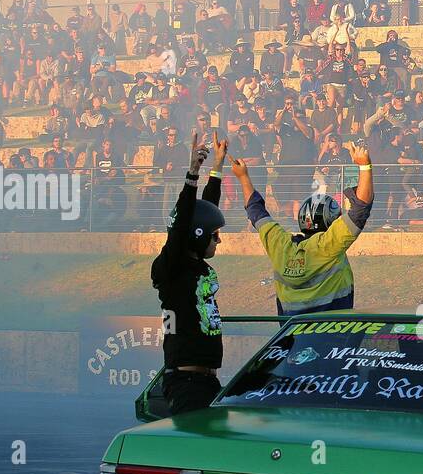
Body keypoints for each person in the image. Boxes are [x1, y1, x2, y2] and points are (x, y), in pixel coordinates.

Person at [233, 142, 374, 314]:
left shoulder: (280, 244)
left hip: (291, 338)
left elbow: (256, 211)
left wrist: (243, 177)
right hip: (331, 336)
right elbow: (361, 208)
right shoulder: (330, 245)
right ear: (331, 223)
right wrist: (365, 166)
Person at [150, 134, 229, 416]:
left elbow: (204, 210)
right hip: (186, 382)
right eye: (214, 235)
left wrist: (217, 167)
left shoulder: (195, 263)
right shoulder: (172, 268)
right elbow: (186, 220)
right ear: (196, 236)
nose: (217, 240)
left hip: (207, 380)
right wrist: (192, 173)